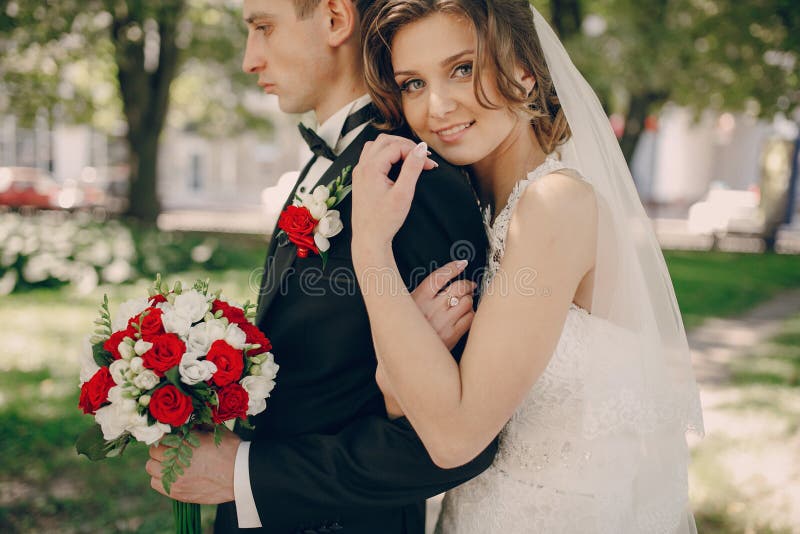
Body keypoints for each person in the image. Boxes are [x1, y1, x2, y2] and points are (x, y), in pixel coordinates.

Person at [350, 1, 705, 532]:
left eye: (462, 69)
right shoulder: (472, 215)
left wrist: (369, 249)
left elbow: (453, 437)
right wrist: (393, 379)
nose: (439, 105)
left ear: (524, 68)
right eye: (413, 83)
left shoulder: (554, 205)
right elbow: (411, 411)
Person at [145, 1, 497, 532]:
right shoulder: (325, 159)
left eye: (263, 28)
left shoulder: (412, 177)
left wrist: (245, 475)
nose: (249, 59)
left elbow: (457, 441)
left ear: (335, 19)